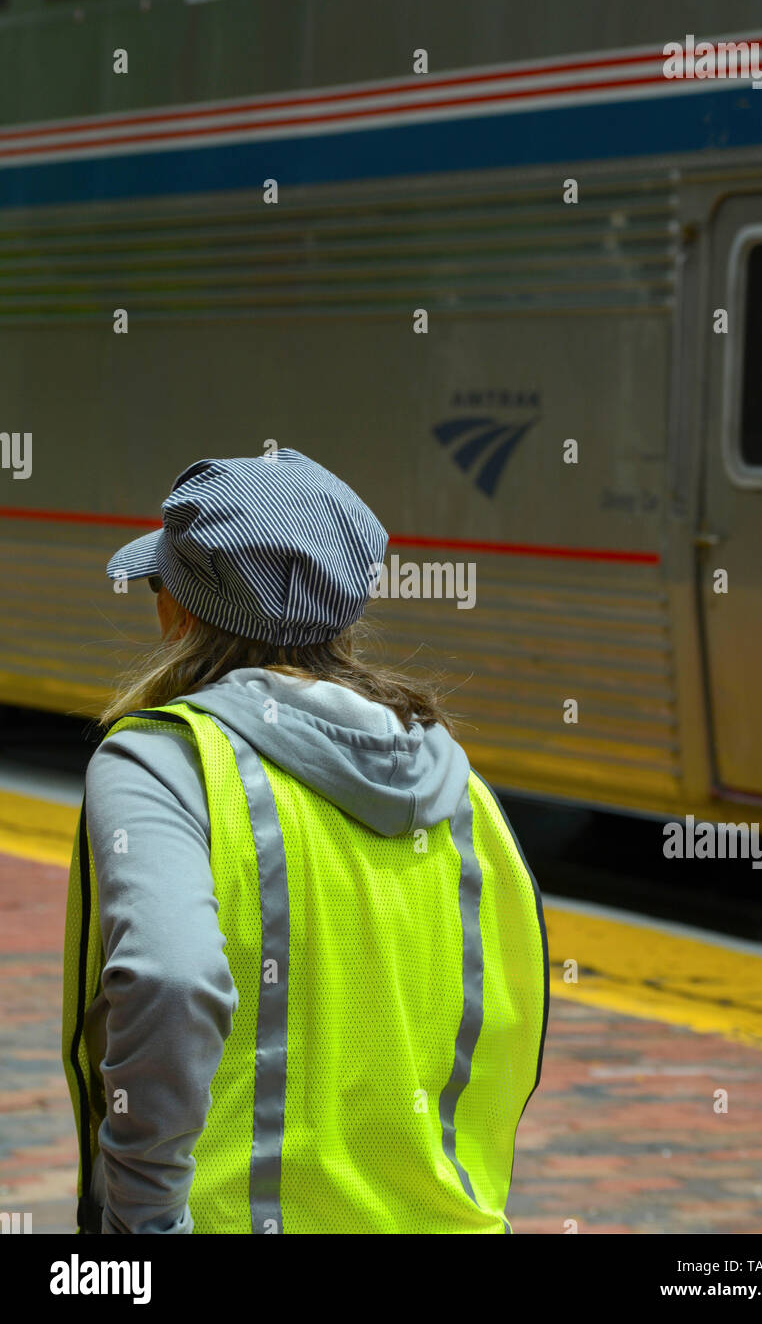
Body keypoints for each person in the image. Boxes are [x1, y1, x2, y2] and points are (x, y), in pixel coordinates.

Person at [62, 450, 549, 1234]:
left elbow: (171, 981)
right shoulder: (456, 787)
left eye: (161, 584)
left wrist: (141, 1226)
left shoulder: (161, 761)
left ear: (180, 613)